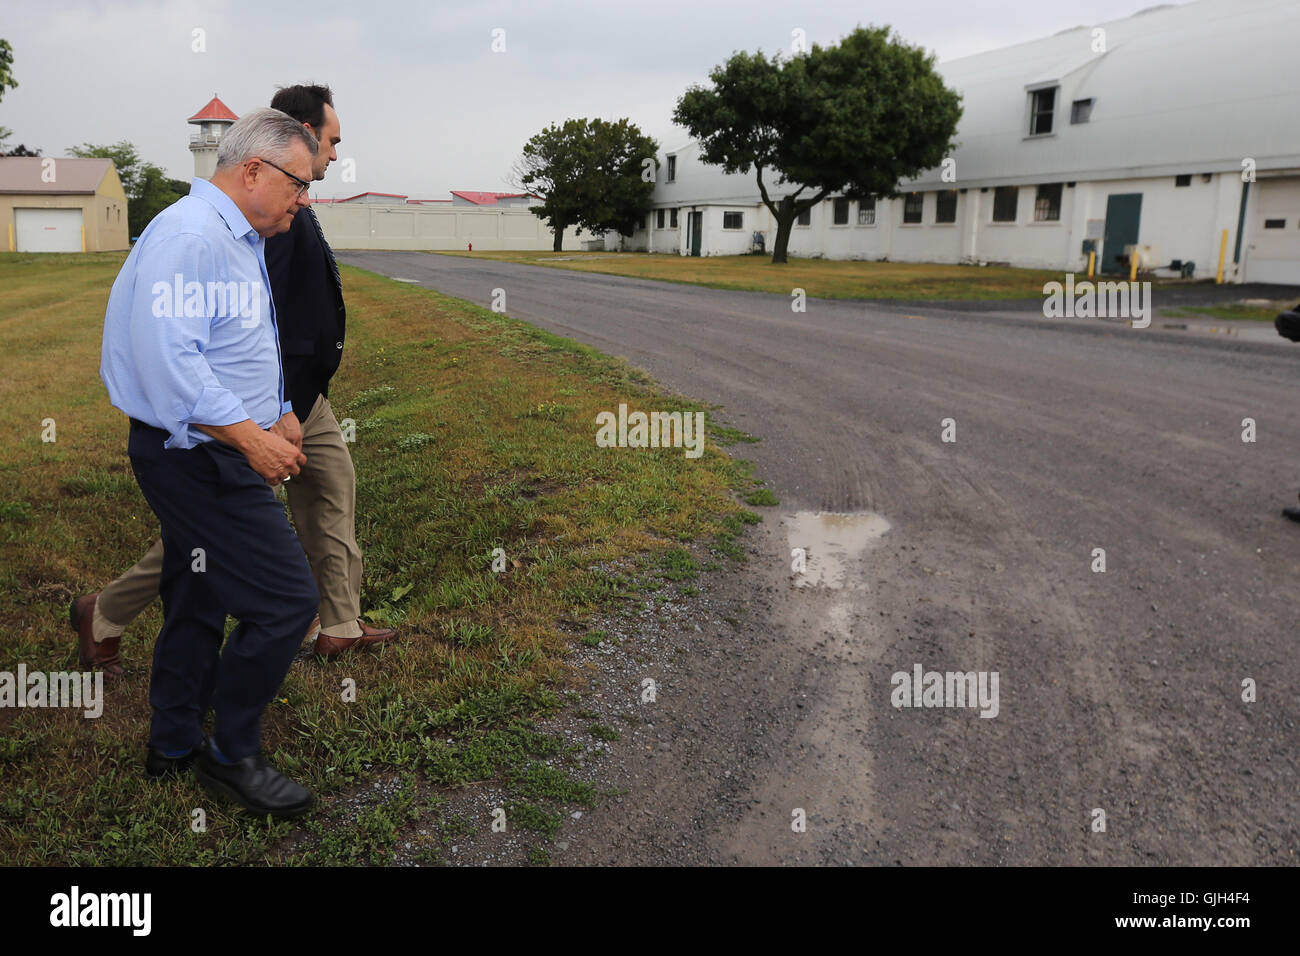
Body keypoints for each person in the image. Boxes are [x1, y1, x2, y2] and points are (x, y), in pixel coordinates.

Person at [72, 84, 399, 680]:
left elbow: (263, 324)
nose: (328, 165)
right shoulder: (234, 224)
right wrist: (255, 425)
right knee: (209, 541)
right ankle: (114, 618)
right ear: (284, 144)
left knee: (326, 496)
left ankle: (338, 625)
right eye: (328, 145)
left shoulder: (275, 209)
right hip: (235, 415)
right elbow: (205, 343)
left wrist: (286, 401)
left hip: (287, 399)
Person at [100, 107, 319, 816]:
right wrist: (252, 440)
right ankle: (232, 755)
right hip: (197, 455)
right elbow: (171, 363)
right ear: (252, 169)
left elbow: (231, 342)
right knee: (288, 602)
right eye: (300, 183)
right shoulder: (191, 237)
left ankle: (171, 743)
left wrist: (277, 410)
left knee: (198, 593)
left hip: (208, 445)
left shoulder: (237, 233)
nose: (305, 200)